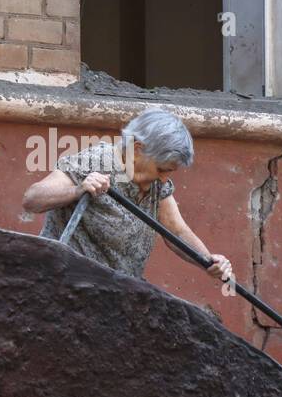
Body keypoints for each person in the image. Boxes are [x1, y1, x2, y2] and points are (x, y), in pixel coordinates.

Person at [23, 109, 233, 282]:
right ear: (138, 149)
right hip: (65, 282)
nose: (163, 179)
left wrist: (208, 260)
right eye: (161, 169)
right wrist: (78, 190)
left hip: (116, 292)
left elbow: (177, 231)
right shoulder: (96, 161)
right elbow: (32, 199)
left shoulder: (157, 187)